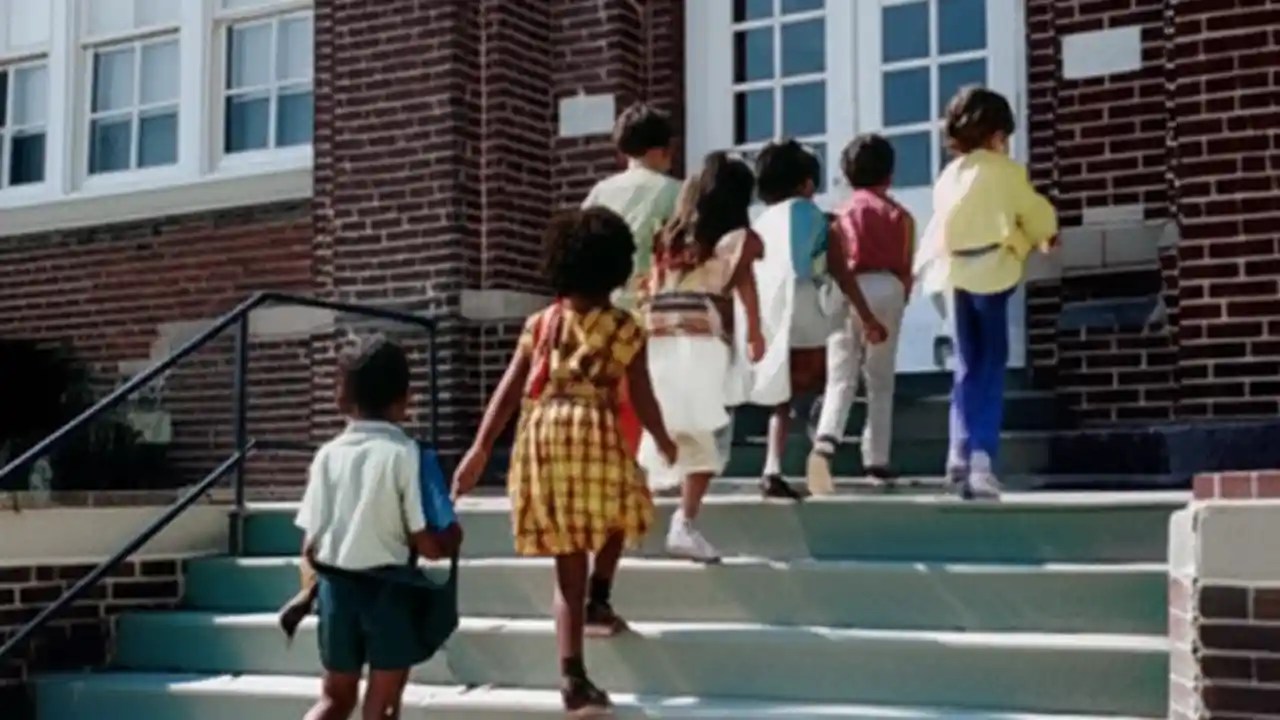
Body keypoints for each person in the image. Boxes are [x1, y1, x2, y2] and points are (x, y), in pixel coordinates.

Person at [451, 208, 678, 716]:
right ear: (617, 268)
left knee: (566, 558)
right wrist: (663, 439)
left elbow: (510, 389)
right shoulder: (625, 327)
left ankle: (573, 674)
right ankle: (601, 597)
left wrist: (481, 447)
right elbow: (641, 394)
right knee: (625, 506)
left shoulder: (540, 324)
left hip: (541, 434)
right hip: (592, 428)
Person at [294, 338, 464, 720]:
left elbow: (309, 545)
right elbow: (425, 540)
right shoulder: (406, 454)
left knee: (334, 698)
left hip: (337, 590)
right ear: (405, 399)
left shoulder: (326, 456)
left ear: (343, 397)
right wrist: (448, 541)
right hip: (390, 592)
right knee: (383, 703)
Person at [914, 86, 1058, 500]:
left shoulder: (948, 177)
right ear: (997, 136)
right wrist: (1045, 235)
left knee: (965, 366)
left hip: (952, 273)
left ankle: (956, 454)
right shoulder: (1005, 172)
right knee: (992, 365)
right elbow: (1034, 212)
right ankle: (981, 460)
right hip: (991, 272)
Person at [639, 153, 765, 563]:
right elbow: (745, 284)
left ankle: (633, 513)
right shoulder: (737, 240)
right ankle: (685, 522)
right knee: (704, 431)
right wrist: (755, 332)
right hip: (701, 340)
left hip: (659, 337)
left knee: (668, 422)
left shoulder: (669, 236)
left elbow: (651, 284)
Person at [748, 140, 886, 499]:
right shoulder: (817, 218)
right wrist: (867, 317)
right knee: (830, 379)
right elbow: (841, 271)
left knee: (781, 397)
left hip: (771, 314)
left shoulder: (761, 222)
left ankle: (772, 467)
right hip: (808, 310)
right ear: (807, 184)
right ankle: (821, 442)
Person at [807, 135, 913, 494]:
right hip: (887, 286)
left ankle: (825, 442)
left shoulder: (840, 215)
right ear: (890, 174)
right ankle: (877, 458)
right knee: (880, 379)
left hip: (848, 287)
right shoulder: (900, 216)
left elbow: (830, 262)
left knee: (841, 375)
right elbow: (906, 268)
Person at [582, 102, 683, 311]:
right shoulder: (677, 192)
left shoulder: (599, 193)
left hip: (604, 310)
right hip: (654, 307)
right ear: (661, 148)